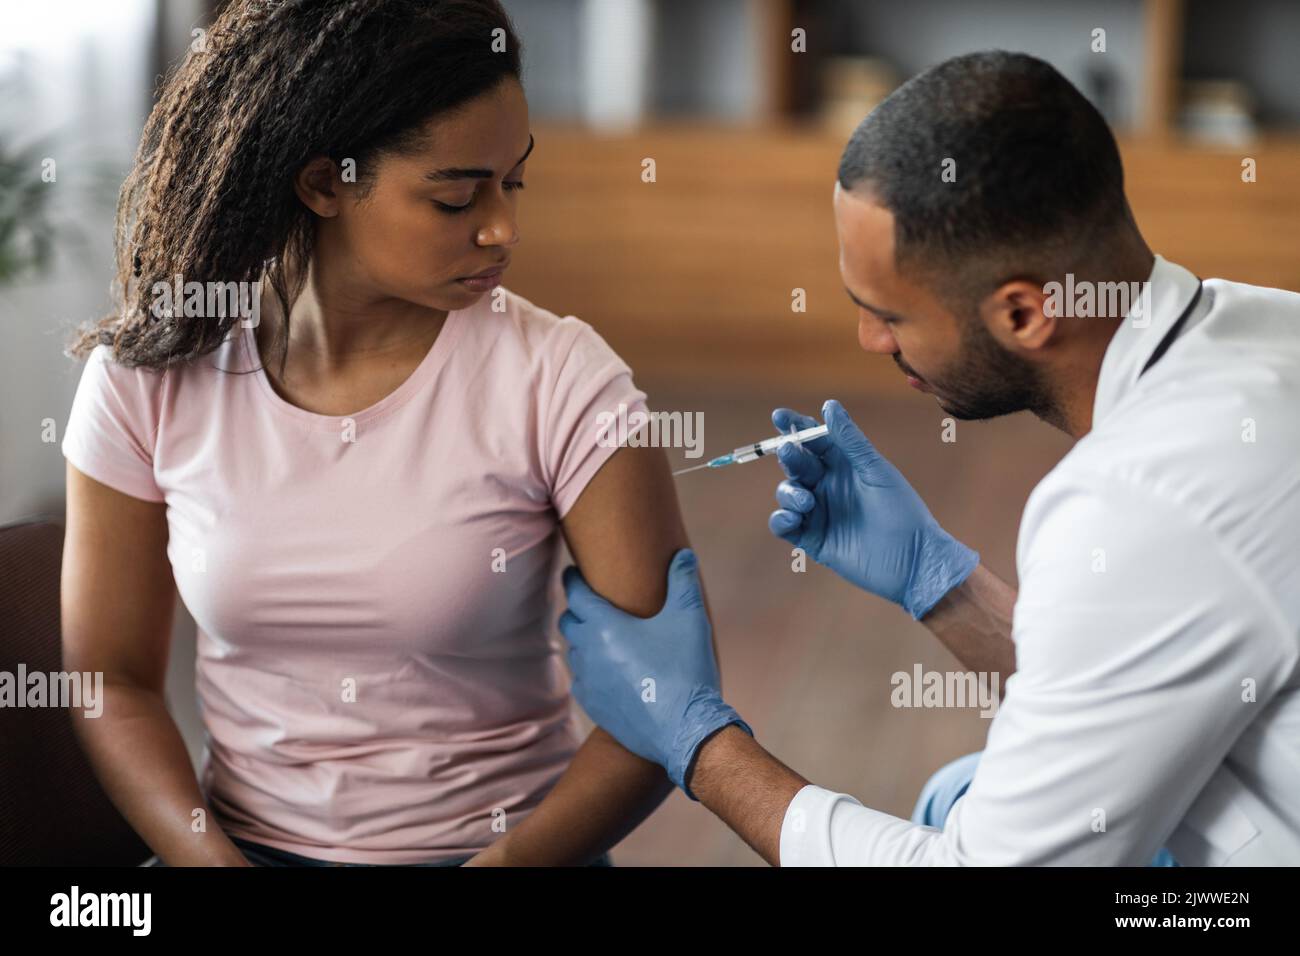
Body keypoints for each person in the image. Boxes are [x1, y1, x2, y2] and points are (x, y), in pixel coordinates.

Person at [559, 51, 1300, 866]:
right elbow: (1130, 676)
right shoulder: (1267, 328)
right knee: (967, 786)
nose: (870, 341)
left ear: (1023, 313)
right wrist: (936, 581)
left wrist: (696, 741)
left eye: (888, 316)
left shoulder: (1141, 501)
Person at [60, 0, 699, 867]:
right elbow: (112, 680)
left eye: (515, 181)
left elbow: (668, 702)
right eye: (454, 196)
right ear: (324, 183)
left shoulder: (564, 381)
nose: (504, 227)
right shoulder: (151, 376)